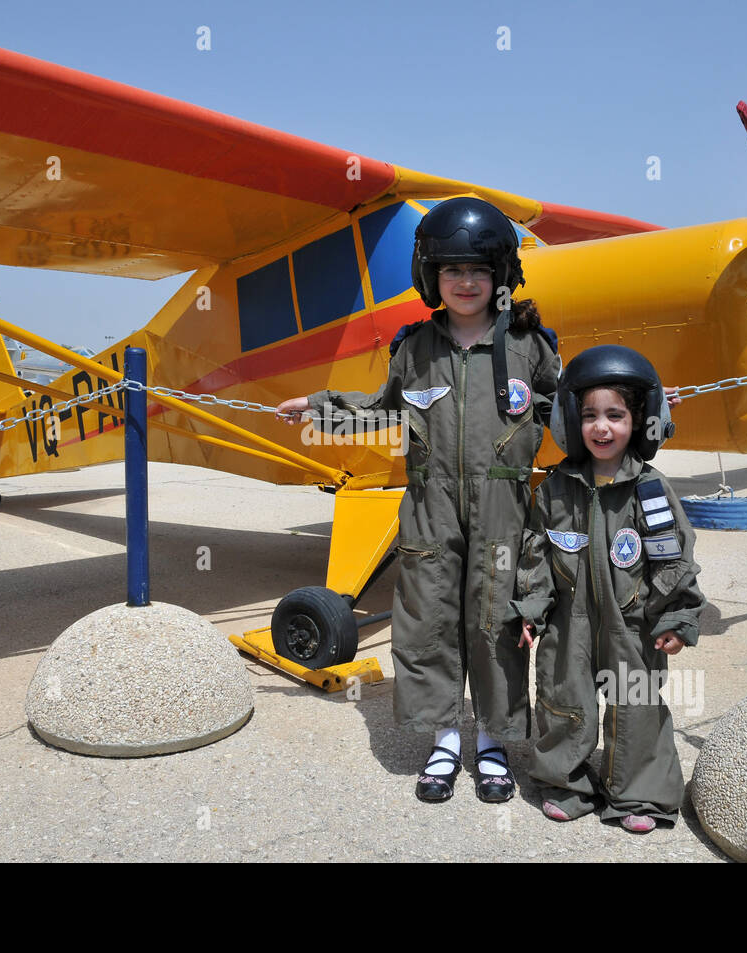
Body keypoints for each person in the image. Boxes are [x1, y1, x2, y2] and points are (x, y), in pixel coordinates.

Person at [276, 197, 559, 803]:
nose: (465, 281)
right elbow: (382, 407)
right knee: (429, 621)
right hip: (429, 507)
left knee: (496, 623)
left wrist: (635, 408)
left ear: (501, 275)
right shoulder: (414, 347)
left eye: (478, 270)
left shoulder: (531, 347)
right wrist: (319, 406)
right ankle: (443, 742)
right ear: (432, 276)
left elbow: (568, 411)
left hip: (505, 512)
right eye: (452, 270)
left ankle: (490, 742)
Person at [511, 345, 705, 832]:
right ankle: (565, 783)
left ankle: (638, 794)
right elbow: (535, 556)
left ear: (639, 421)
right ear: (572, 420)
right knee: (563, 702)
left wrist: (678, 619)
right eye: (591, 415)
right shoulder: (555, 488)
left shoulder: (652, 490)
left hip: (633, 626)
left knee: (637, 706)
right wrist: (532, 611)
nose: (602, 428)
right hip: (567, 624)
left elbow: (675, 560)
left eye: (616, 416)